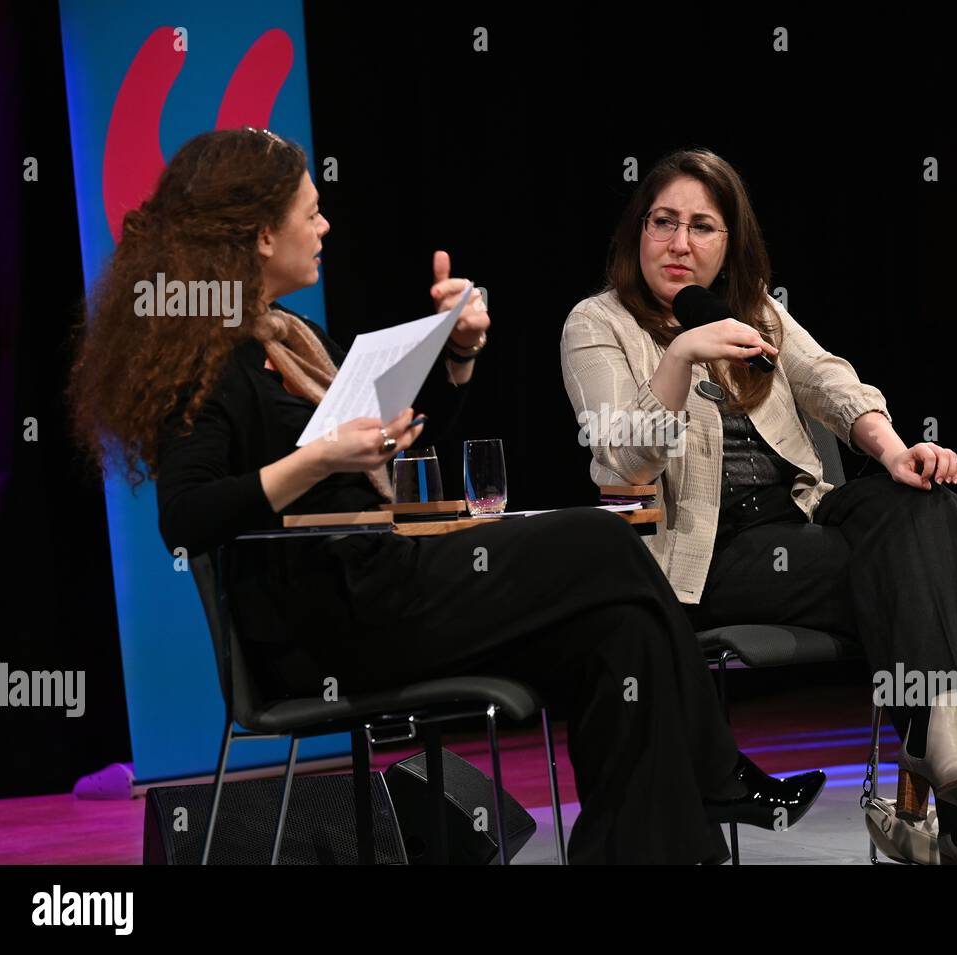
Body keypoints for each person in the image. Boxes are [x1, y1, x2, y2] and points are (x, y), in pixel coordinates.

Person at [66, 128, 824, 865]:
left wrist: (454, 353)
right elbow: (187, 514)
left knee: (619, 630)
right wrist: (319, 455)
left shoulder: (291, 335)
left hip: (376, 582)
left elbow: (397, 448)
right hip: (327, 616)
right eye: (310, 209)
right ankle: (719, 776)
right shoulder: (211, 353)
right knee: (598, 539)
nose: (326, 224)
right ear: (261, 235)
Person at [560, 147, 957, 864]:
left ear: (730, 244)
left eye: (702, 227)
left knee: (930, 505)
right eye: (663, 222)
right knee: (940, 566)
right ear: (637, 232)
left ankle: (939, 741)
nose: (680, 243)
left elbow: (830, 383)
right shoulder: (596, 323)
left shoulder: (758, 316)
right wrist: (682, 353)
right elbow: (623, 455)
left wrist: (896, 449)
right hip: (707, 553)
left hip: (804, 521)